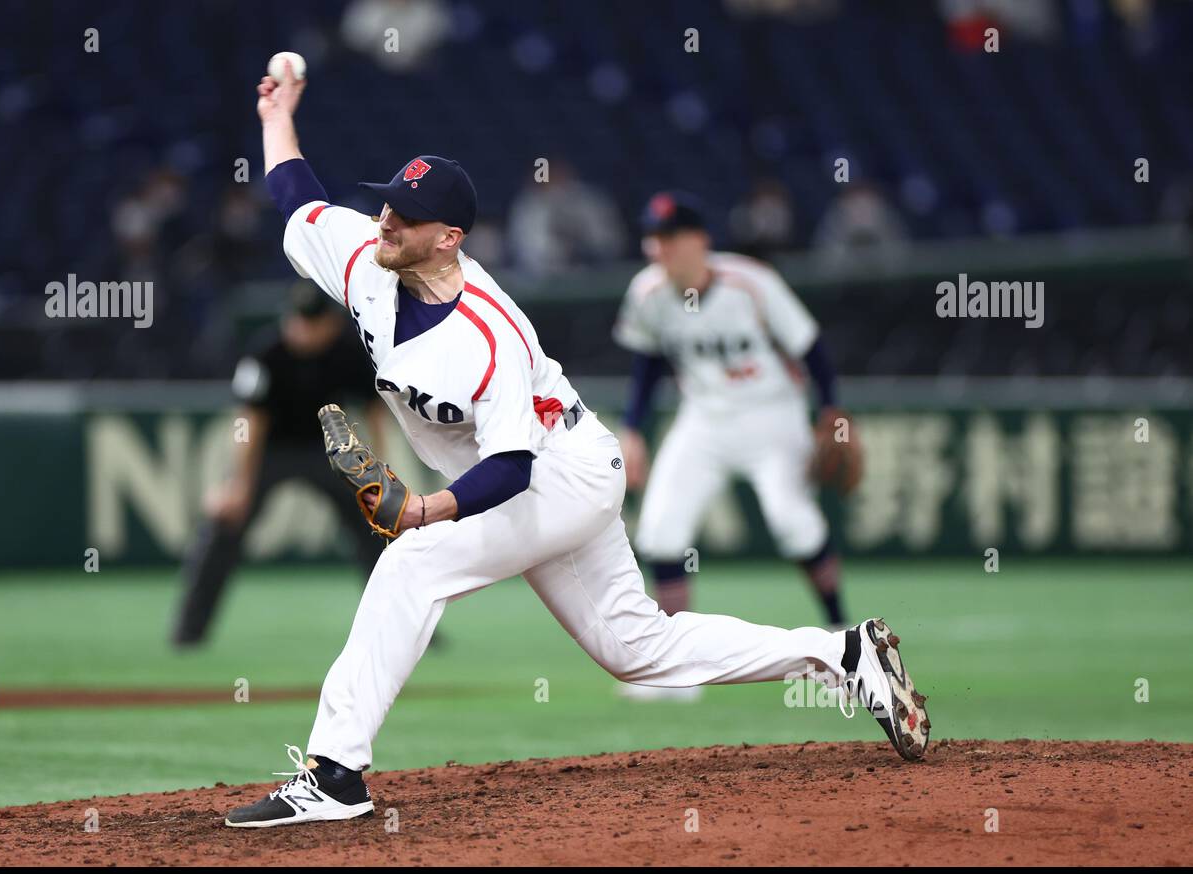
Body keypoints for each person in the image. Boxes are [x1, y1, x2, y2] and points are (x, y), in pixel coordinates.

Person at [223, 61, 930, 828]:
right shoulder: (367, 257)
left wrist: (427, 509)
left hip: (558, 473)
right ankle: (843, 654)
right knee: (638, 650)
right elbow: (298, 199)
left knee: (412, 564)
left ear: (449, 238)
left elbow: (512, 467)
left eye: (405, 215)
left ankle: (335, 775)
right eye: (387, 204)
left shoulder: (486, 339)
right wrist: (277, 115)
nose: (386, 220)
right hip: (548, 473)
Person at [613, 192, 852, 702]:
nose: (662, 248)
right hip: (703, 419)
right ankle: (675, 669)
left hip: (772, 415)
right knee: (659, 529)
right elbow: (648, 365)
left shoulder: (751, 282)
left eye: (671, 237)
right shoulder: (648, 291)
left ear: (700, 240)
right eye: (654, 239)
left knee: (793, 522)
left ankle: (841, 638)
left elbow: (811, 347)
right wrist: (634, 430)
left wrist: (832, 412)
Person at [170, 280, 419, 647]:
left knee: (380, 525)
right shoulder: (266, 353)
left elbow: (373, 412)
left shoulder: (346, 351)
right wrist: (237, 484)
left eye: (312, 322)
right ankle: (188, 633)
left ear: (331, 324)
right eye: (298, 320)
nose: (302, 330)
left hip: (331, 451)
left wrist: (380, 472)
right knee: (225, 526)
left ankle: (408, 630)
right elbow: (248, 422)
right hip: (270, 452)